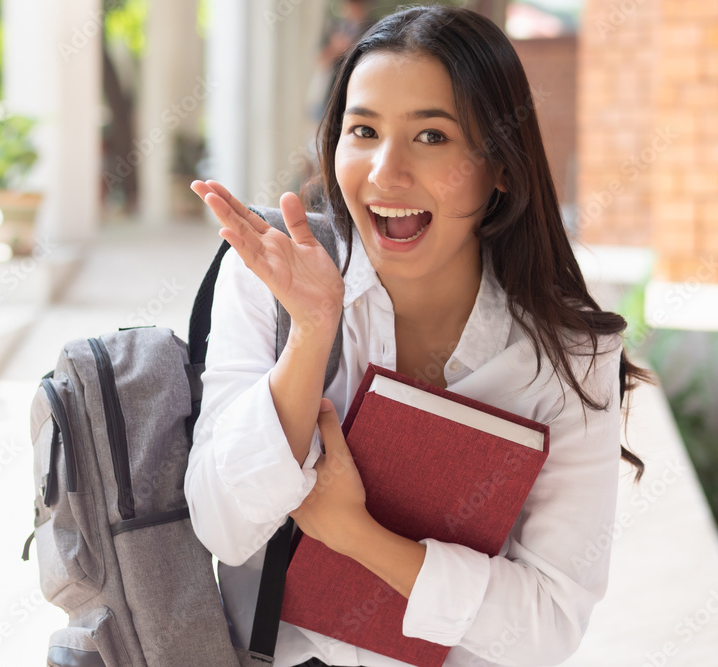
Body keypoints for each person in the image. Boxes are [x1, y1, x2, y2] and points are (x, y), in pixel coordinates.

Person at [185, 5, 651, 667]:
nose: (385, 171)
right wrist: (313, 331)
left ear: (501, 166)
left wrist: (357, 534)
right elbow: (223, 524)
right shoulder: (269, 277)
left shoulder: (569, 355)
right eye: (364, 130)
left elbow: (548, 627)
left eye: (431, 136)